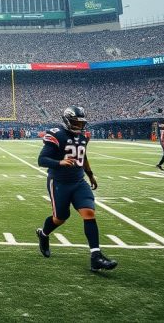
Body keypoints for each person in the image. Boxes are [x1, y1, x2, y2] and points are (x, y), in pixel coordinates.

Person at [36, 106, 117, 272]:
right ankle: (43, 234)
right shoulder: (57, 134)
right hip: (59, 182)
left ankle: (96, 256)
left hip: (79, 181)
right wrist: (60, 162)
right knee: (60, 218)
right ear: (67, 120)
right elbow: (42, 159)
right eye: (75, 122)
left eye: (81, 123)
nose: (79, 126)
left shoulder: (83, 136)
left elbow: (83, 155)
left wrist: (90, 174)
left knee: (89, 213)